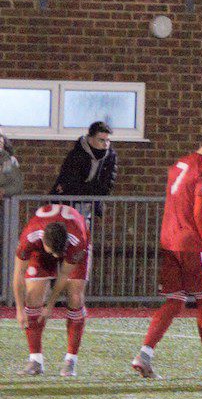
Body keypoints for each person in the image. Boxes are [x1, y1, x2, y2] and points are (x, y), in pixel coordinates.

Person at [131, 124, 202, 380]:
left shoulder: (180, 164)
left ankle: (144, 355)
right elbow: (200, 214)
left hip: (169, 240)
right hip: (191, 244)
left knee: (175, 300)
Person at [12, 203, 90, 377]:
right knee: (33, 296)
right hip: (40, 247)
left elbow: (63, 275)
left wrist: (50, 304)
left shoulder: (77, 240)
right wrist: (19, 308)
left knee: (75, 296)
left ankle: (71, 360)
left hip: (75, 238)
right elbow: (18, 274)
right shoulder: (30, 237)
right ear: (44, 242)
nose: (56, 257)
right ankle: (35, 360)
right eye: (53, 253)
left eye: (59, 253)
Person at [51, 121, 118, 198]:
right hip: (70, 199)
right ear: (90, 139)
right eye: (101, 140)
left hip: (95, 199)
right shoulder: (77, 154)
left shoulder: (110, 156)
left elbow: (108, 183)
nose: (106, 144)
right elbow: (71, 182)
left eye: (108, 140)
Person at [0, 133, 21, 199]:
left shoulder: (9, 160)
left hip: (6, 199)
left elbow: (10, 179)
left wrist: (4, 191)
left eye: (1, 143)